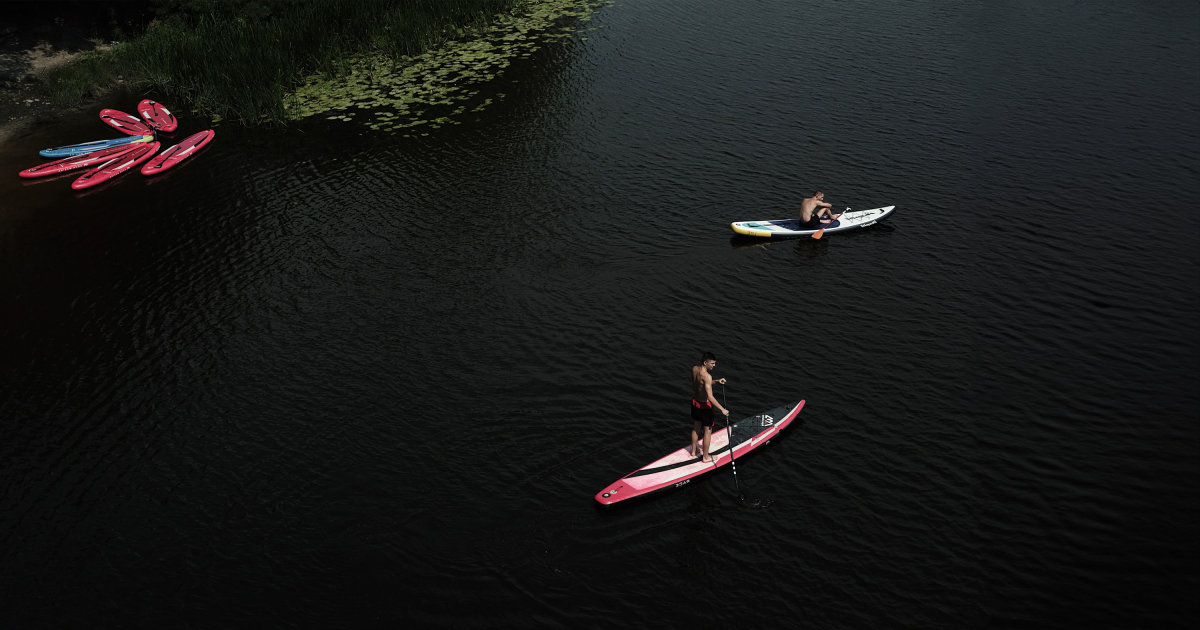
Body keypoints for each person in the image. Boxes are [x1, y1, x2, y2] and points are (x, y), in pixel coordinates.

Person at [691, 352, 730, 463]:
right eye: (712, 364)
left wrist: (716, 382)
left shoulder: (694, 369)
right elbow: (710, 397)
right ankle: (706, 457)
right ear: (705, 362)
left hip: (695, 402)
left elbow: (699, 384)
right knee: (707, 431)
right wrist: (722, 409)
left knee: (696, 426)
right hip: (704, 406)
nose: (714, 365)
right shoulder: (707, 376)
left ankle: (693, 452)